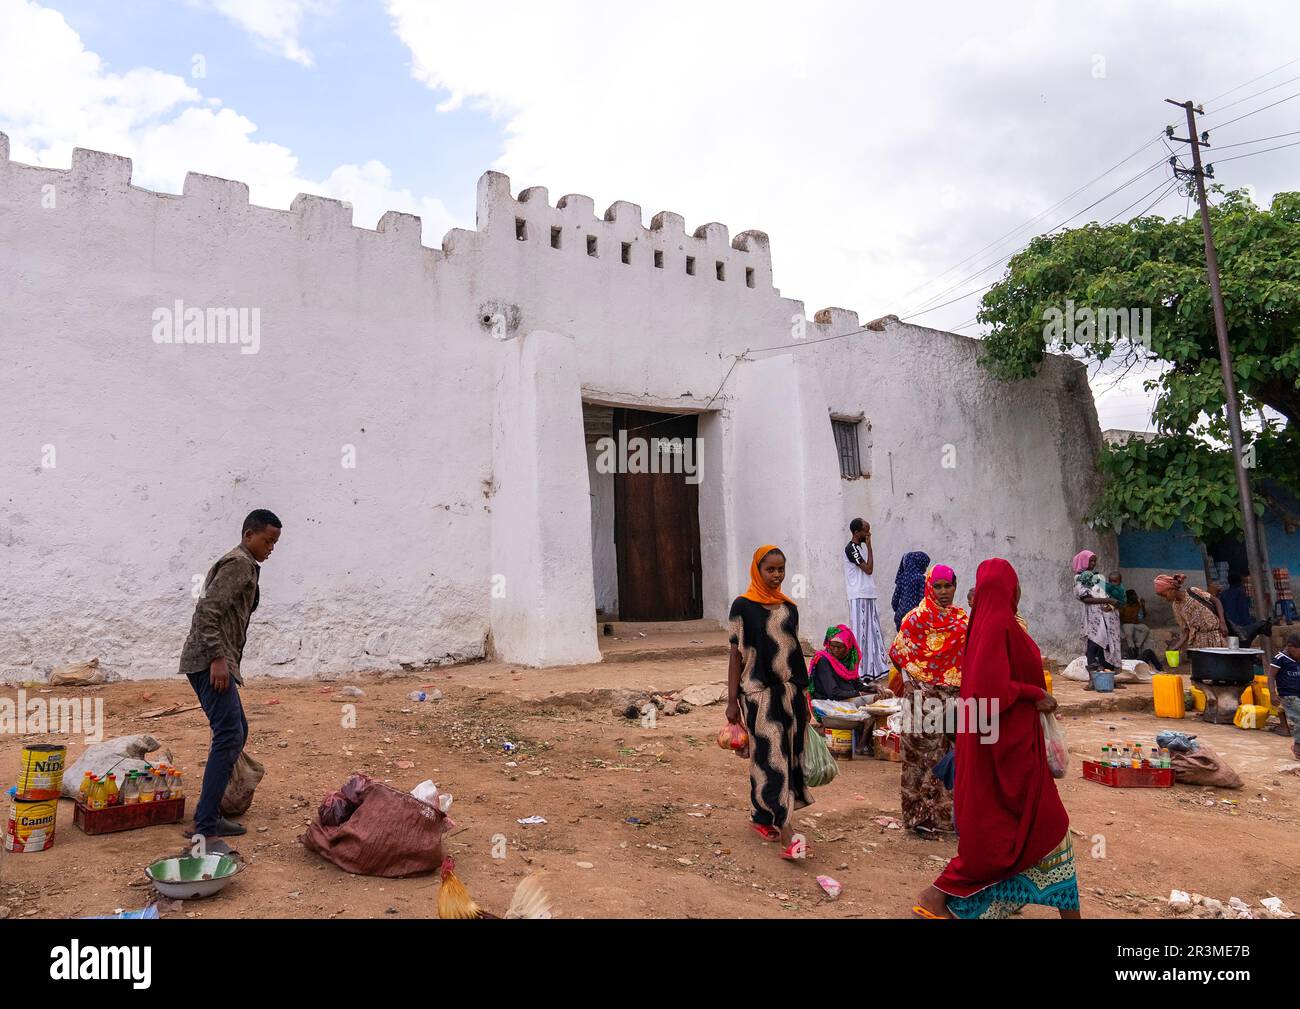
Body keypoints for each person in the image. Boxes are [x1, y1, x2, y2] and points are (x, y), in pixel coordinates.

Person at [914, 558, 1080, 920]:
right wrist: (1032, 692)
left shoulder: (985, 624)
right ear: (1011, 589)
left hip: (1012, 742)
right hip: (1004, 748)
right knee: (1039, 825)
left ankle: (955, 902)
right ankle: (935, 896)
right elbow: (990, 691)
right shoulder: (997, 626)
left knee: (1038, 826)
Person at [178, 509, 282, 852]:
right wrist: (218, 660)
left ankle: (211, 811)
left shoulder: (245, 564)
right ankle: (204, 828)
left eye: (274, 542)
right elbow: (207, 612)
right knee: (228, 735)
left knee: (238, 731)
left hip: (218, 661)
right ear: (248, 534)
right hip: (210, 662)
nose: (270, 548)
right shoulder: (238, 563)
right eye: (267, 540)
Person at [726, 545, 813, 860]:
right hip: (758, 696)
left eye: (781, 570)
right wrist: (732, 701)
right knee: (771, 759)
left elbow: (793, 656)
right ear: (757, 570)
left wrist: (805, 696)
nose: (776, 576)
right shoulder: (742, 607)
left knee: (784, 759)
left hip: (791, 696)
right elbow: (736, 657)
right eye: (770, 570)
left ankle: (763, 817)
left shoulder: (789, 609)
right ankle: (788, 833)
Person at [889, 564, 967, 835]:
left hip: (953, 701)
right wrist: (917, 684)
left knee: (947, 758)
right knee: (917, 761)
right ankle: (918, 820)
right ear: (929, 587)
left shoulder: (963, 621)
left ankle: (945, 820)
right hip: (921, 700)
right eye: (938, 586)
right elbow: (899, 656)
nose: (944, 592)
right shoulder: (914, 619)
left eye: (949, 586)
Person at [843, 519, 889, 684]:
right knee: (860, 633)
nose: (869, 534)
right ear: (857, 533)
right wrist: (870, 546)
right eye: (866, 531)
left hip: (867, 594)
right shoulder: (852, 549)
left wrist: (868, 546)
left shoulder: (859, 548)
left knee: (872, 632)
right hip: (858, 595)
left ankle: (873, 669)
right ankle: (858, 671)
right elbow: (868, 569)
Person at [1073, 550, 1121, 689]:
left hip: (1106, 615)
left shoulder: (1097, 577)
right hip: (1093, 616)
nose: (1093, 564)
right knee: (1093, 645)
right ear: (1083, 561)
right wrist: (1108, 600)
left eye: (1094, 561)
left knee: (1106, 646)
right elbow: (1085, 598)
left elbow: (1106, 591)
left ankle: (1109, 678)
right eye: (1090, 561)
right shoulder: (1079, 578)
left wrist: (1111, 603)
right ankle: (1092, 679)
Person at [888, 550, 930, 694]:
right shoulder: (921, 579)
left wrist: (900, 611)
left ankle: (903, 676)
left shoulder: (903, 578)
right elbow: (922, 601)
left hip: (900, 617)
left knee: (902, 647)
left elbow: (894, 601)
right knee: (914, 650)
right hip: (914, 619)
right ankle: (912, 677)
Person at [1155, 573, 1228, 653]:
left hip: (1217, 636)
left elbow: (1216, 601)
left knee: (1221, 663)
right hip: (1200, 643)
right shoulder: (1176, 607)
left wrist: (1222, 621)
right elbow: (1186, 631)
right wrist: (1177, 646)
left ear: (1171, 589)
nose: (1164, 599)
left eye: (1164, 595)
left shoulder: (1193, 591)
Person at [809, 624, 867, 701]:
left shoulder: (848, 661)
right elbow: (833, 693)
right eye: (832, 646)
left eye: (839, 647)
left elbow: (857, 684)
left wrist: (872, 688)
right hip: (827, 703)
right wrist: (858, 693)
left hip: (845, 700)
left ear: (847, 647)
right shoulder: (823, 660)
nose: (835, 650)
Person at [1267, 633, 1300, 760]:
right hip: (1288, 695)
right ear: (1291, 647)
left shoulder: (1297, 659)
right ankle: (1298, 746)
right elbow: (1271, 677)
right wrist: (1272, 693)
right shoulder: (1280, 658)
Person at [1218, 572, 1273, 647]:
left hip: (1229, 624)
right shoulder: (1240, 593)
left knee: (1232, 645)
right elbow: (1243, 611)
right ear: (1240, 583)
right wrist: (1249, 624)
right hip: (1240, 625)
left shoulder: (1223, 594)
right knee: (1242, 644)